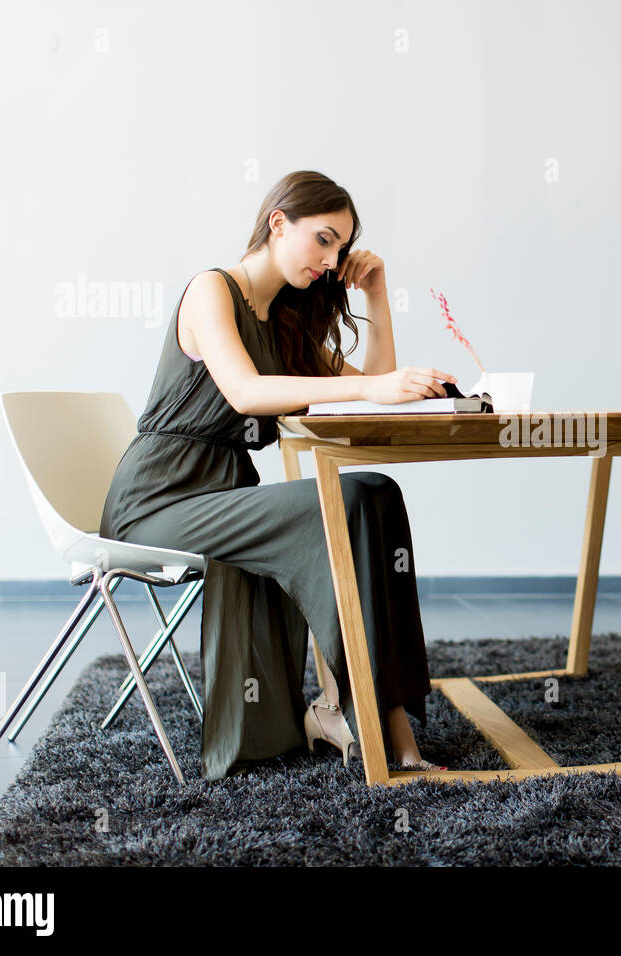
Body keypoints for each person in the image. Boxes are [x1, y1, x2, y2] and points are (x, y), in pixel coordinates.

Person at [98, 170, 457, 779]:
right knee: (344, 499)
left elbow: (374, 384)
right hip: (157, 500)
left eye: (340, 248)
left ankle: (377, 717)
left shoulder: (282, 318)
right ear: (278, 223)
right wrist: (375, 387)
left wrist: (376, 292)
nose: (331, 258)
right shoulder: (211, 290)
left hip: (224, 491)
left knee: (374, 492)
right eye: (323, 240)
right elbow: (244, 392)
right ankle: (367, 719)